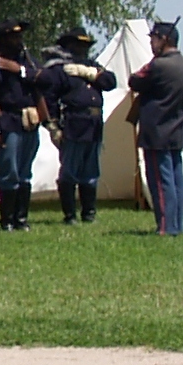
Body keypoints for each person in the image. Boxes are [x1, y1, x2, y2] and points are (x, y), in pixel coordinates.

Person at [39, 26, 116, 225]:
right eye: (78, 46)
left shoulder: (91, 66)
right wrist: (53, 126)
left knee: (90, 173)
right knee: (69, 173)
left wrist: (89, 73)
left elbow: (110, 81)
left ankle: (89, 213)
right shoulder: (59, 69)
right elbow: (50, 99)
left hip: (94, 125)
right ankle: (70, 215)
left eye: (85, 46)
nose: (83, 50)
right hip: (73, 124)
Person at [129, 18, 183, 236]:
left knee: (160, 182)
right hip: (177, 131)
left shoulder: (157, 66)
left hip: (156, 133)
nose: (151, 43)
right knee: (176, 181)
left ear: (164, 40)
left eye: (155, 39)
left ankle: (166, 227)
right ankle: (178, 224)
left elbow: (135, 81)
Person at [0, 21, 48, 232]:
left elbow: (45, 79)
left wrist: (20, 70)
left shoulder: (27, 61)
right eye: (14, 38)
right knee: (8, 171)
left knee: (24, 173)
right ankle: (7, 220)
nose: (19, 42)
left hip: (29, 121)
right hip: (8, 121)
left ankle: (21, 218)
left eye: (19, 37)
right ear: (3, 40)